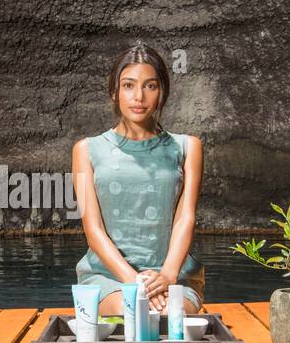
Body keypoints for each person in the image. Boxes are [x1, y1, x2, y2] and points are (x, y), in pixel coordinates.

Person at [73, 41, 206, 317]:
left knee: (170, 315)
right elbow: (92, 228)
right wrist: (134, 283)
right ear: (114, 92)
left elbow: (186, 218)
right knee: (133, 309)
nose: (139, 96)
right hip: (108, 277)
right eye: (129, 85)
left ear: (162, 93)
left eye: (150, 86)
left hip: (174, 276)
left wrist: (168, 276)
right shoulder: (86, 150)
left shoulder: (188, 147)